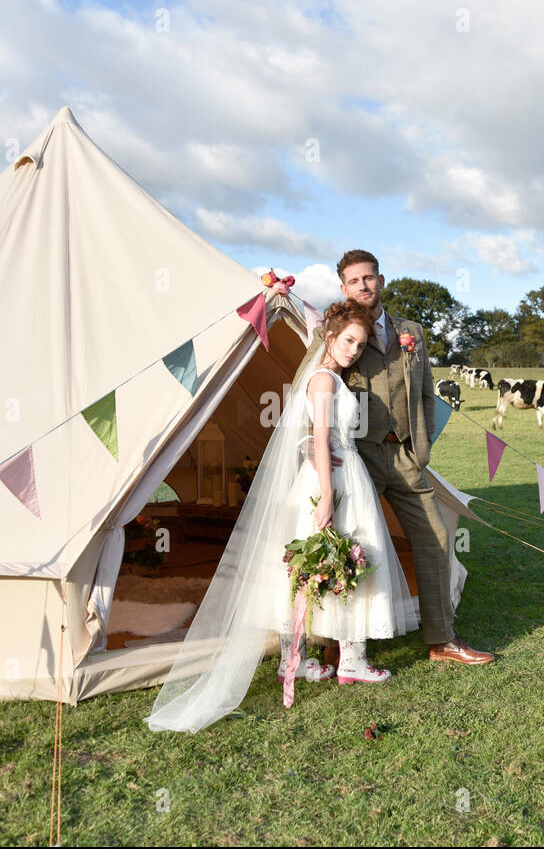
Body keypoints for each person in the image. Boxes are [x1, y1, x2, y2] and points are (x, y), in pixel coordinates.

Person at [145, 302, 418, 733]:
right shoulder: (325, 380)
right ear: (329, 336)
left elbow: (312, 435)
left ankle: (307, 658)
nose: (353, 350)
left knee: (318, 564)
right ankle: (351, 659)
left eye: (360, 345)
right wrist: (328, 495)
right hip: (334, 482)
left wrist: (311, 449)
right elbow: (324, 437)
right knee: (338, 557)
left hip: (333, 474)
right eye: (347, 340)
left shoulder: (323, 379)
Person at [300, 249, 493, 666]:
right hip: (357, 456)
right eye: (354, 281)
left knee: (437, 537)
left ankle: (442, 640)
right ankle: (338, 644)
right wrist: (311, 451)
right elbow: (314, 390)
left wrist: (421, 448)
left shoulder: (412, 331)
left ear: (381, 280)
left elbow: (426, 391)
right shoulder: (338, 332)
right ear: (344, 288)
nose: (363, 286)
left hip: (405, 454)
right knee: (348, 543)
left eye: (369, 278)